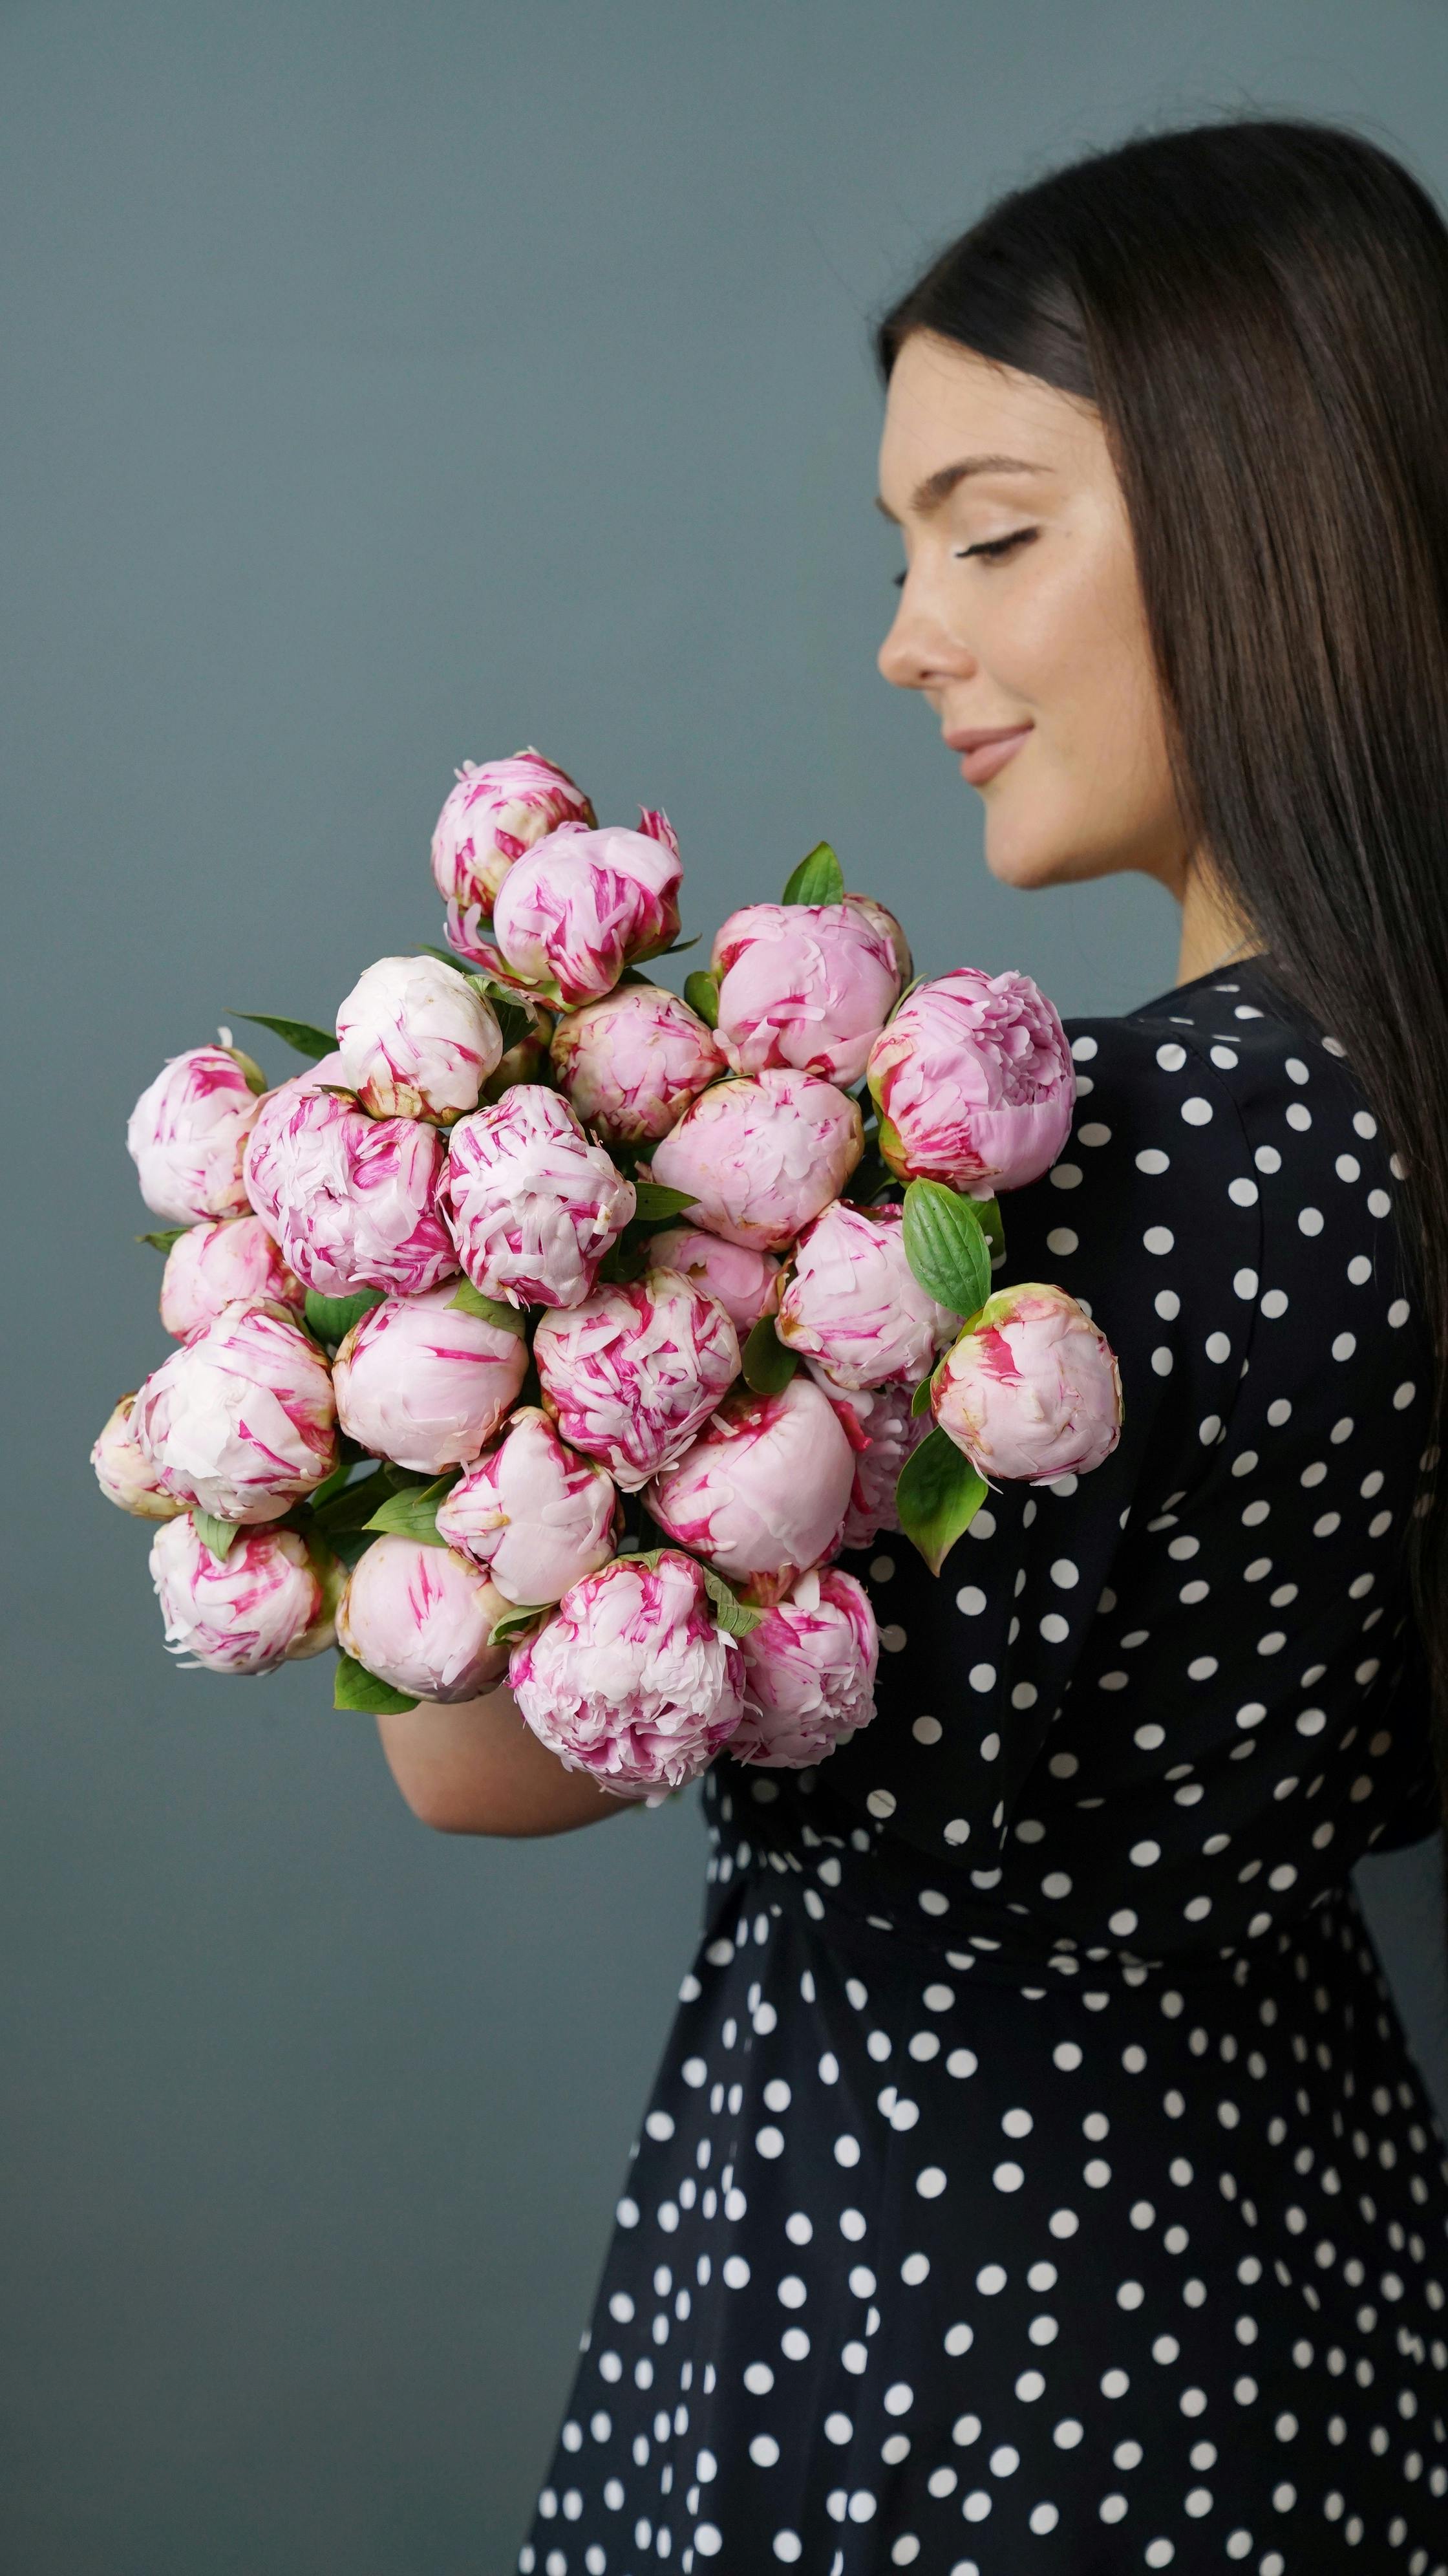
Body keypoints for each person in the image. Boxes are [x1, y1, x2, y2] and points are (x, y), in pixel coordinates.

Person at [381, 116, 1448, 2571]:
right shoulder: (1386, 1118)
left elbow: (480, 1769)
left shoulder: (1070, 1185)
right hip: (1306, 2276)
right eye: (902, 555)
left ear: (1280, 502)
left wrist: (420, 1298)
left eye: (990, 531)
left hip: (941, 2319)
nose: (907, 636)